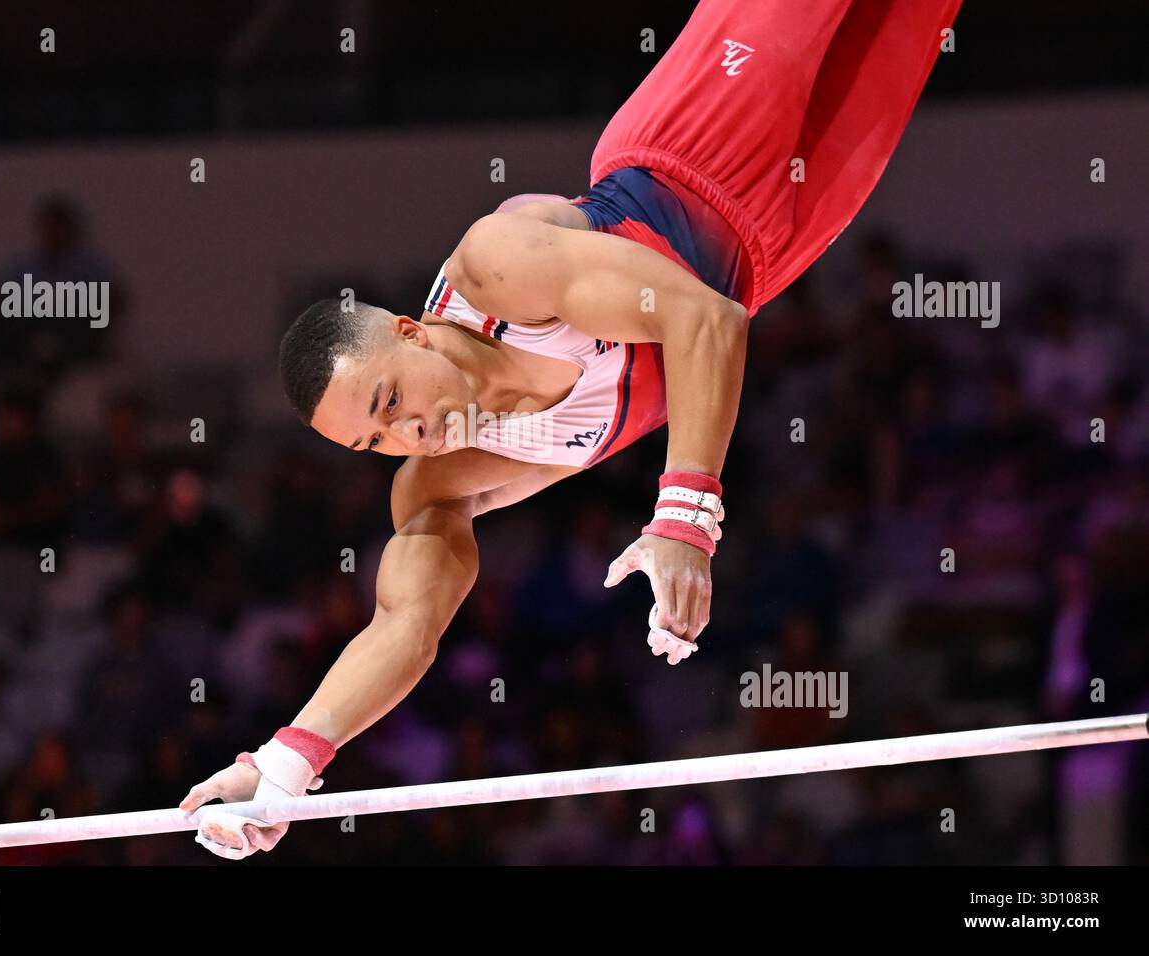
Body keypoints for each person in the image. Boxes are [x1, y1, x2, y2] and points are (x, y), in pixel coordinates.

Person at [183, 0, 963, 858]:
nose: (409, 435)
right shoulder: (445, 478)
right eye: (378, 443)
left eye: (391, 402)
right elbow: (403, 627)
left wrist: (683, 521)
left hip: (700, 142)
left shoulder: (499, 269)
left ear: (409, 329)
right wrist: (288, 764)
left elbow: (705, 323)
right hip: (774, 242)